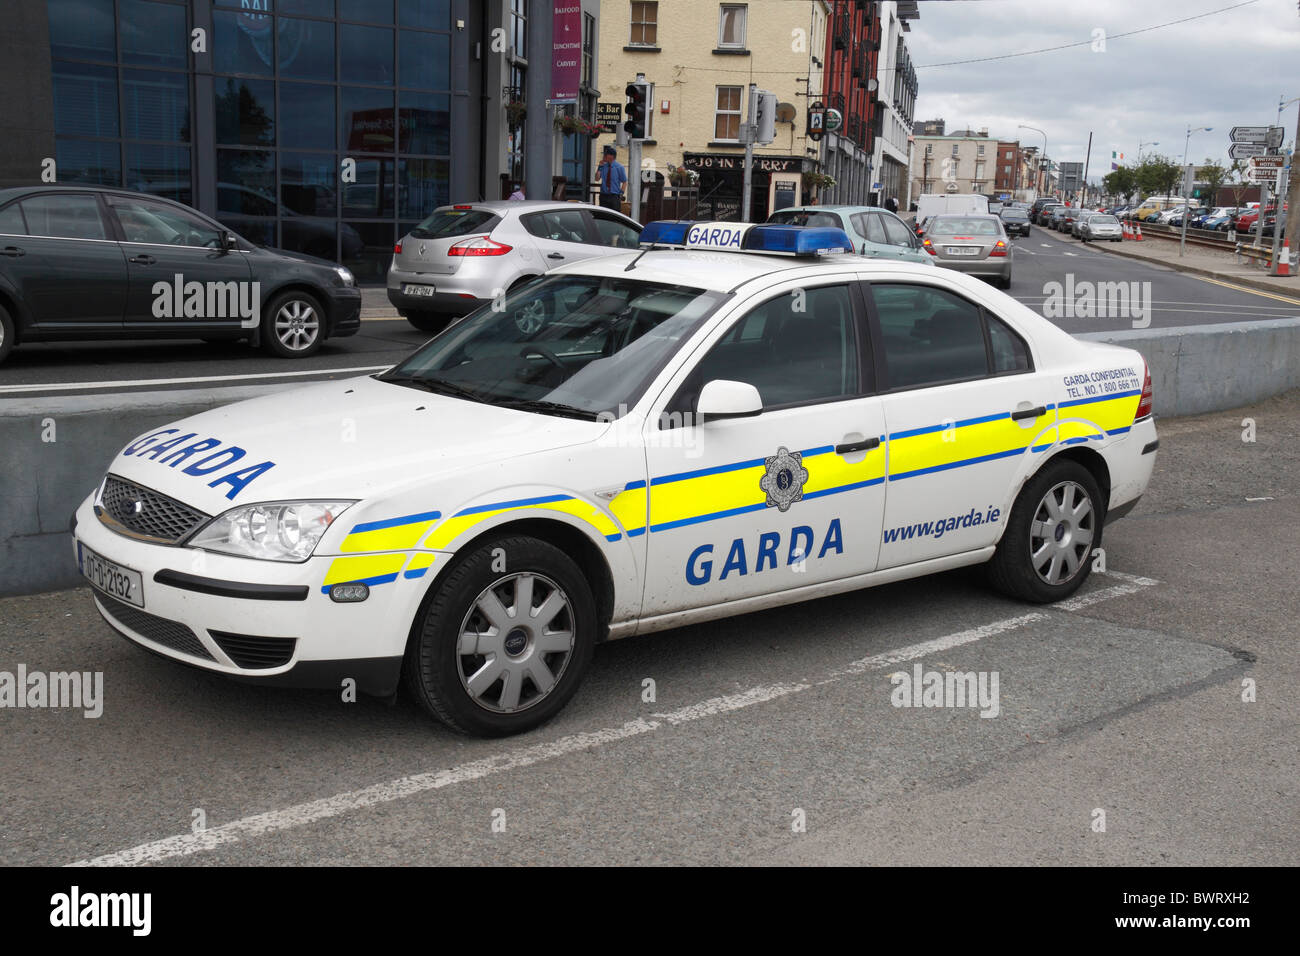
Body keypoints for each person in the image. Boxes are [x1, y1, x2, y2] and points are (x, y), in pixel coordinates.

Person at [596, 144, 627, 211]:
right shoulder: (603, 166)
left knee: (614, 217)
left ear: (611, 156)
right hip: (603, 195)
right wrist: (599, 167)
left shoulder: (619, 167)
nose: (604, 156)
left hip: (614, 196)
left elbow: (624, 182)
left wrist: (621, 193)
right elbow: (597, 178)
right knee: (603, 216)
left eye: (606, 154)